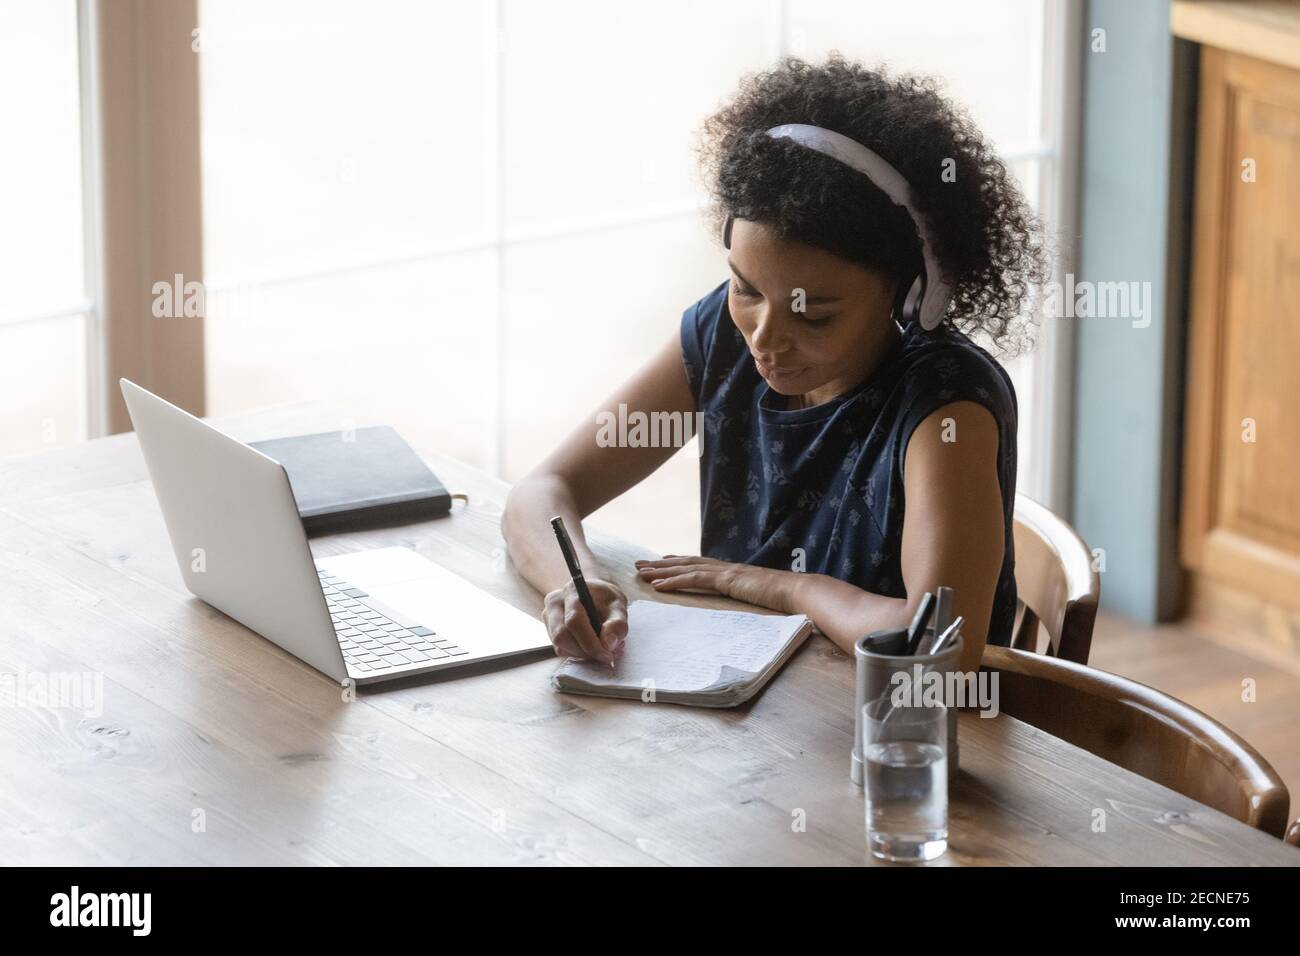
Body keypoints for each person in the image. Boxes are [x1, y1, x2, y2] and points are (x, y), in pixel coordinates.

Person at [501, 55, 1046, 673]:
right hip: (749, 707)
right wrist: (575, 581)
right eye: (746, 289)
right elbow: (540, 493)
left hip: (901, 733)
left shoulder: (944, 402)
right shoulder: (721, 337)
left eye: (813, 316)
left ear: (909, 294)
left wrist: (784, 587)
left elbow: (938, 647)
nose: (765, 338)